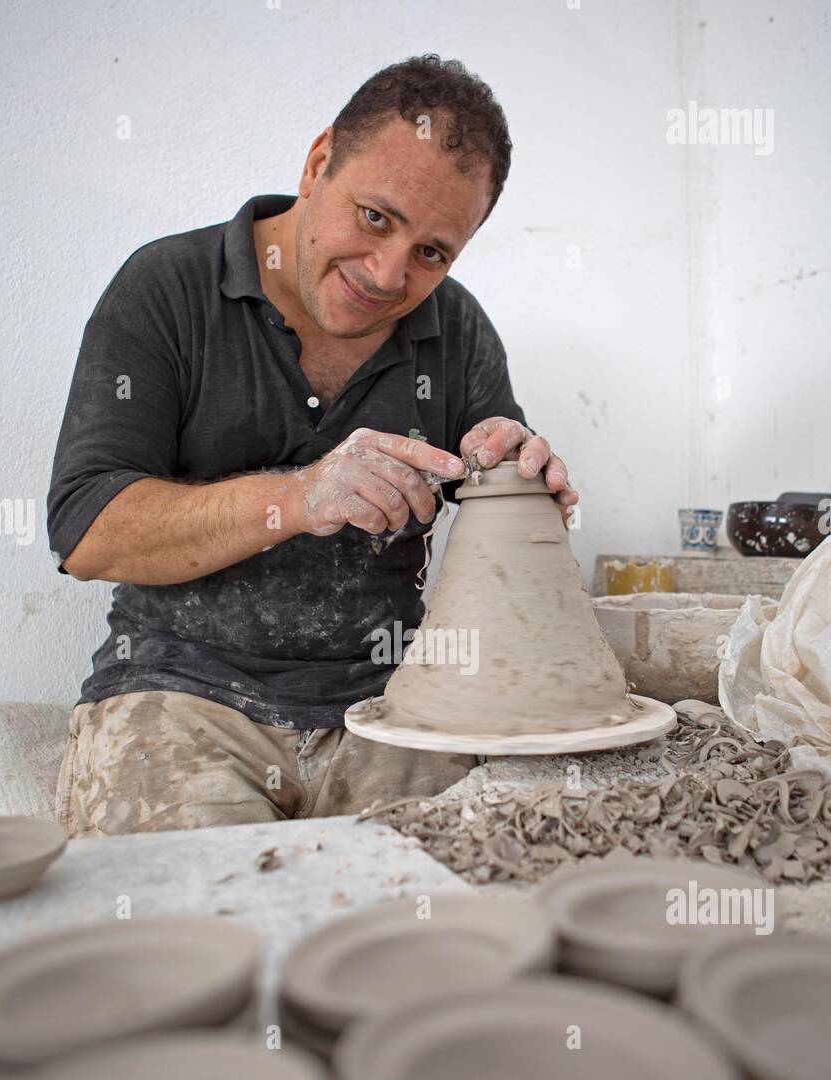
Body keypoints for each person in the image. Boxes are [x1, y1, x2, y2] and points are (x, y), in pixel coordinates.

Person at [47, 54, 579, 837]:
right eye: (374, 217)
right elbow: (87, 532)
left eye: (431, 252)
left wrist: (525, 475)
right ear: (318, 162)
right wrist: (299, 498)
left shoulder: (456, 329)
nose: (387, 273)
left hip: (390, 704)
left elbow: (502, 506)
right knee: (207, 925)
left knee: (465, 901)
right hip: (181, 695)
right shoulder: (168, 287)